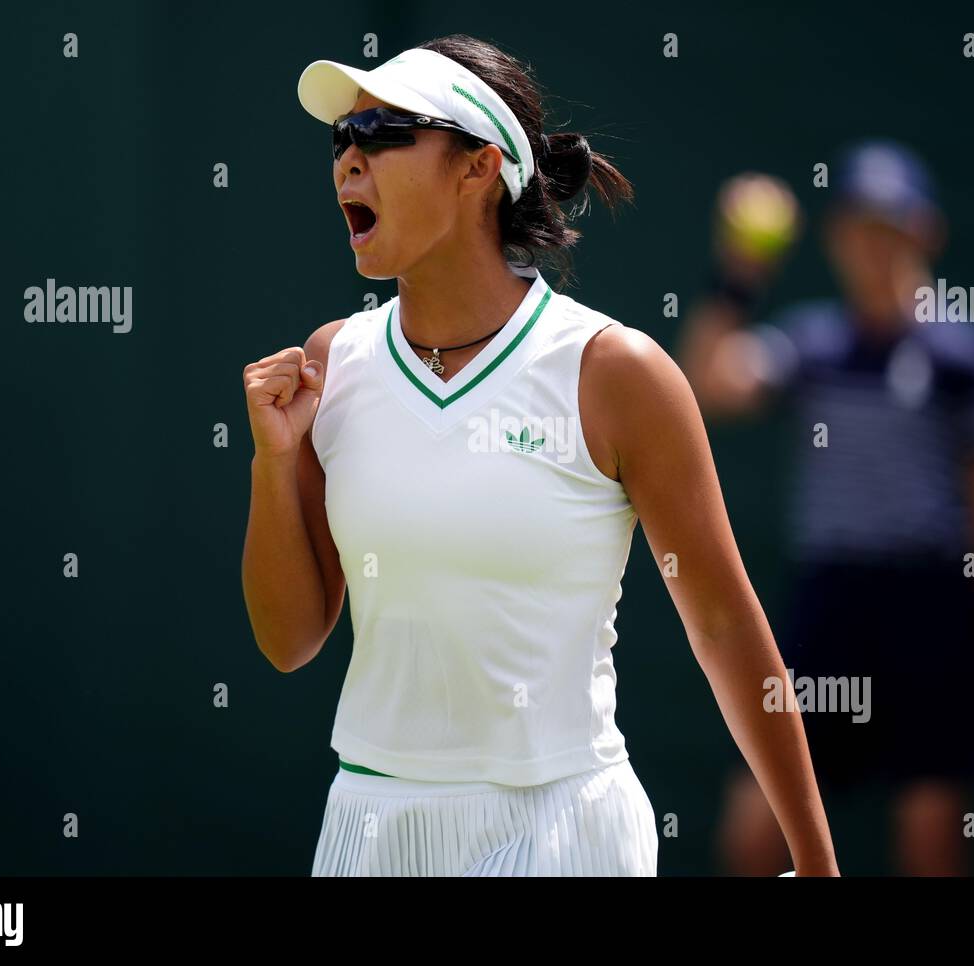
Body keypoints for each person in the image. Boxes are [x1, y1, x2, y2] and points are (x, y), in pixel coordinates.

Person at [241, 34, 838, 877]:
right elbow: (289, 639)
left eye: (382, 132)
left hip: (562, 833)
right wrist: (272, 464)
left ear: (478, 167)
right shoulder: (333, 362)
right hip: (367, 828)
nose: (348, 157)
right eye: (341, 137)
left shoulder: (614, 373)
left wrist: (815, 862)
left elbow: (725, 623)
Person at [680, 143, 974, 875]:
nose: (872, 245)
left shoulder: (964, 358)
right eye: (857, 228)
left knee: (931, 835)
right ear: (835, 238)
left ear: (923, 232)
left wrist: (966, 611)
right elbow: (708, 382)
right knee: (754, 832)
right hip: (829, 606)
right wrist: (740, 273)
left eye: (889, 228)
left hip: (931, 607)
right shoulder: (814, 345)